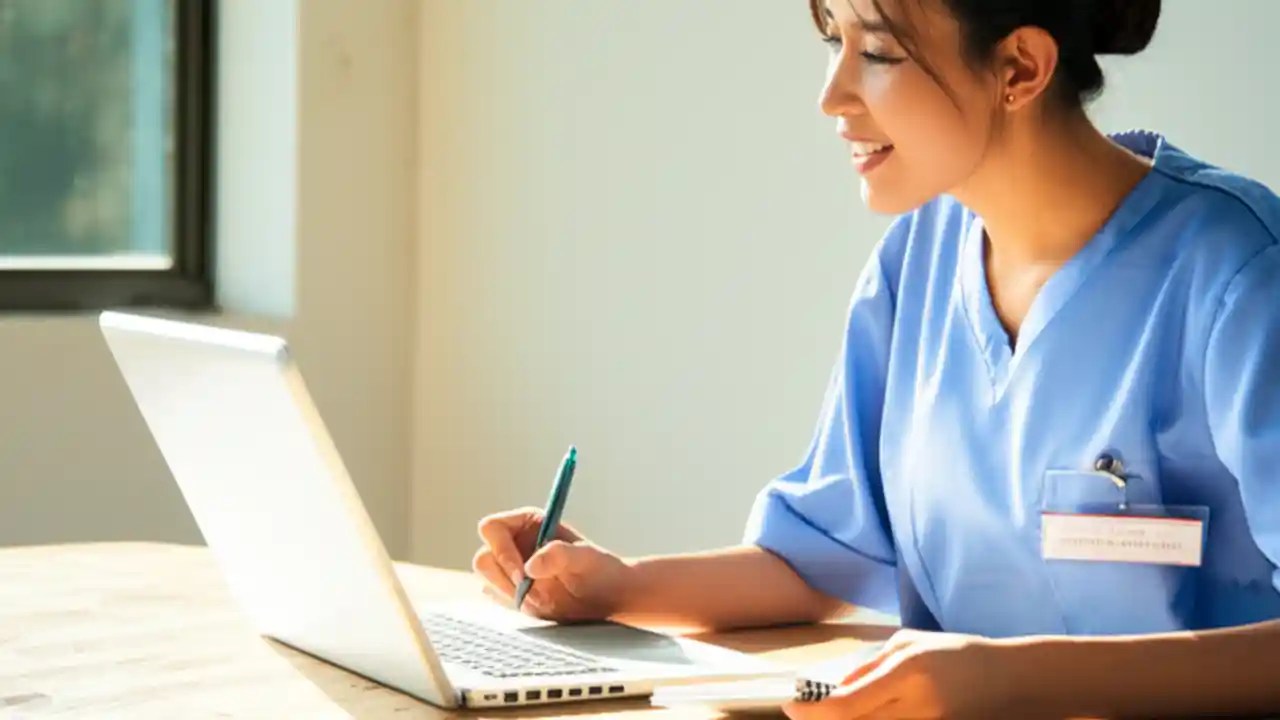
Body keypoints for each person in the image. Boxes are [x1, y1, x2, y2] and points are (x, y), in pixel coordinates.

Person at [473, 0, 1280, 716]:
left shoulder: (1239, 277)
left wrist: (1006, 680)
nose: (832, 96)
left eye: (882, 52)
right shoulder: (916, 266)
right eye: (834, 39)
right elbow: (820, 555)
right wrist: (617, 586)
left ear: (1019, 68)